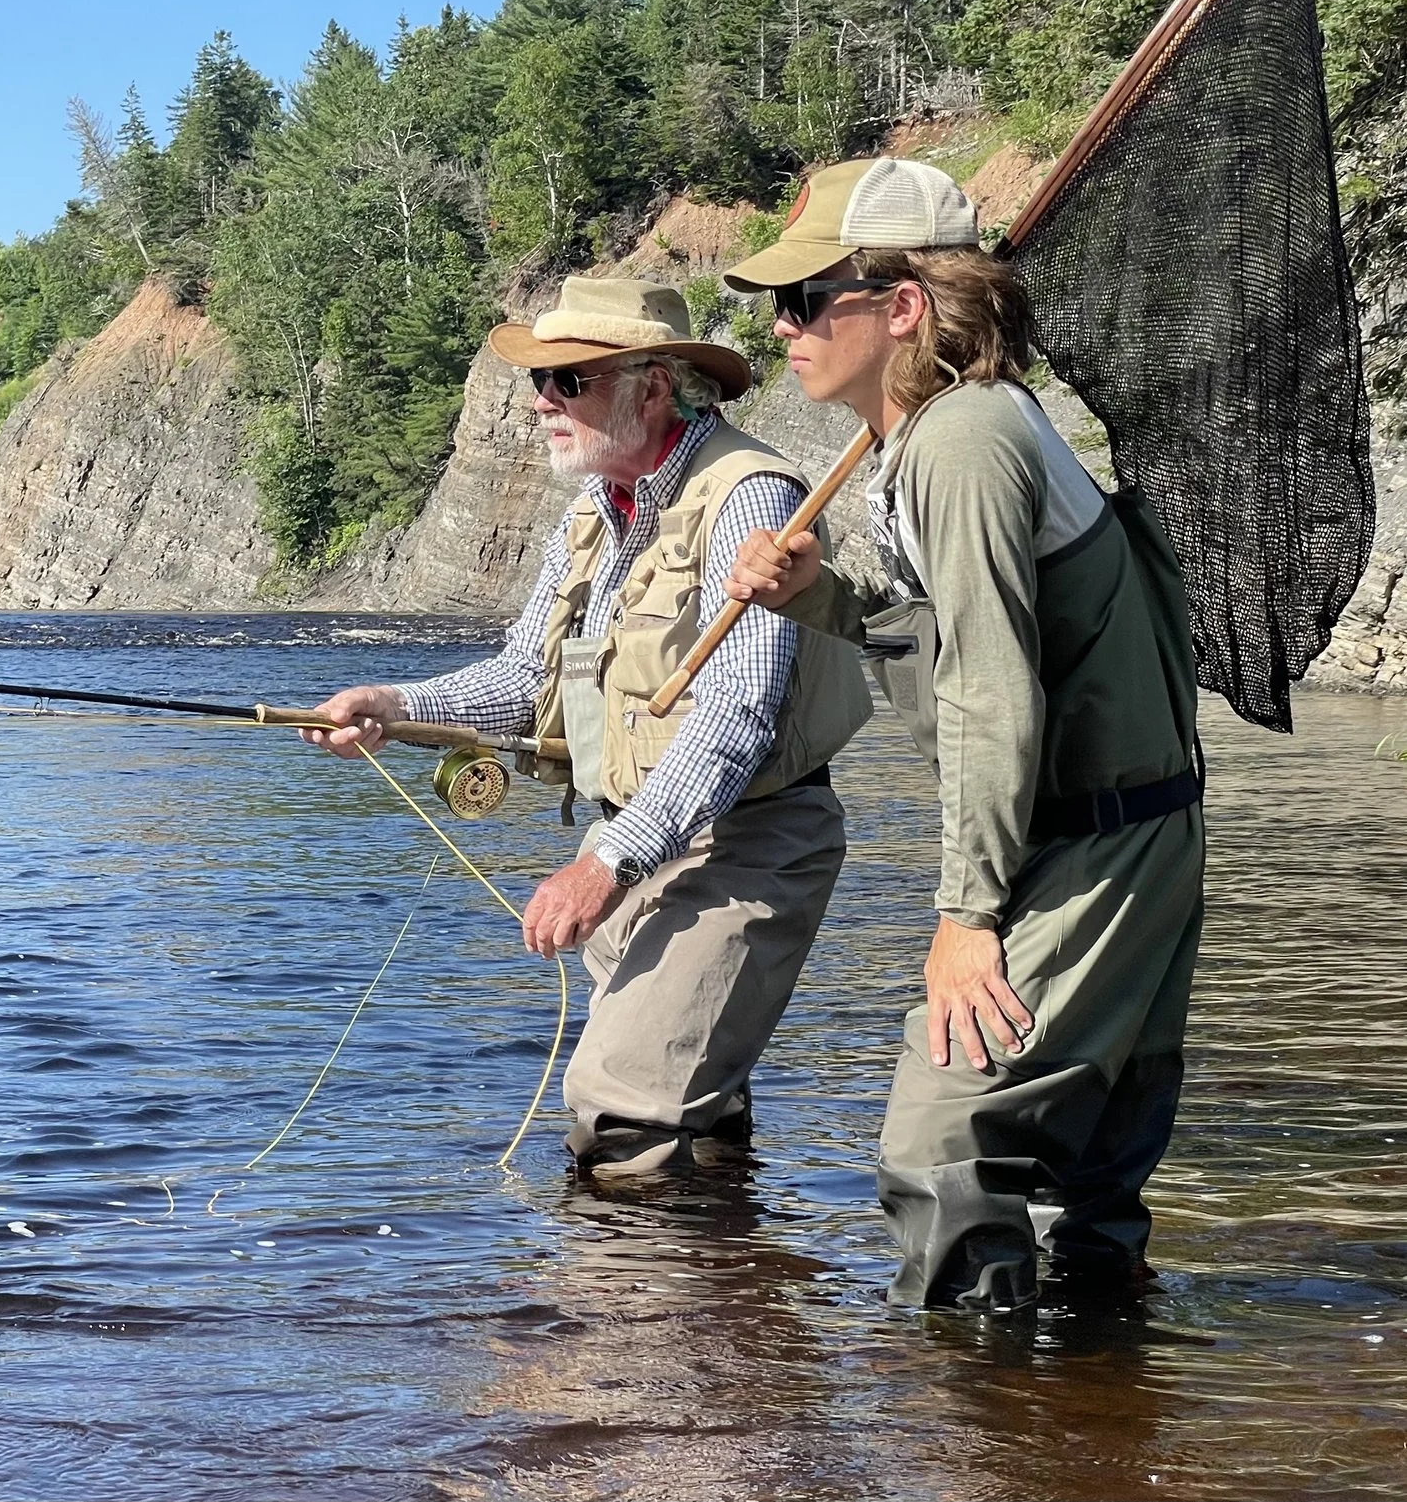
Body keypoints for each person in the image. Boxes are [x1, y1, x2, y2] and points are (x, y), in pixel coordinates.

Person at [719, 157, 1205, 1310]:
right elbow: (956, 634)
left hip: (1092, 842)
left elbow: (992, 692)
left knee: (941, 1144)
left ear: (900, 309)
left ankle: (967, 1438)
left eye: (805, 300)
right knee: (1083, 1192)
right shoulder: (937, 437)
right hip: (1118, 826)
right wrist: (821, 597)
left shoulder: (961, 441)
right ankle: (1077, 1434)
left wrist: (965, 917)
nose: (781, 326)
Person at [302, 276, 871, 1176]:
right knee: (698, 1120)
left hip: (746, 843)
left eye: (569, 380)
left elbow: (736, 716)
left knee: (622, 1117)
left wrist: (603, 863)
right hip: (639, 845)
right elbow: (526, 678)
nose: (542, 400)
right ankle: (727, 1309)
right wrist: (397, 708)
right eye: (543, 380)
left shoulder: (750, 498)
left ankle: (605, 1317)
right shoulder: (592, 515)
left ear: (652, 386)